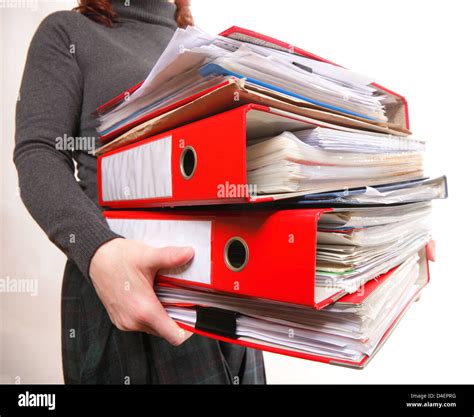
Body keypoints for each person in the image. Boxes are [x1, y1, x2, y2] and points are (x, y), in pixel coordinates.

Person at [14, 0, 266, 384]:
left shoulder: (204, 47)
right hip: (126, 287)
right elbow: (38, 154)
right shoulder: (67, 32)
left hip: (227, 294)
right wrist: (100, 250)